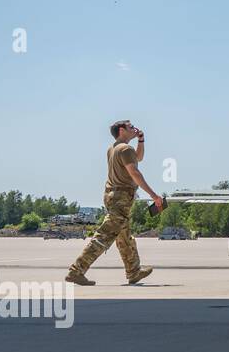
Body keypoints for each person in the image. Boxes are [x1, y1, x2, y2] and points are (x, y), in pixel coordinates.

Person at [65, 120, 161, 286]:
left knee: (124, 238)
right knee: (104, 236)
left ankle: (134, 272)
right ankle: (76, 270)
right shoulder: (125, 149)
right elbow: (135, 173)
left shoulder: (114, 148)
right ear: (122, 130)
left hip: (113, 196)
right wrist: (154, 195)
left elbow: (139, 158)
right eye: (131, 127)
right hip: (121, 198)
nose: (135, 128)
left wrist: (141, 140)